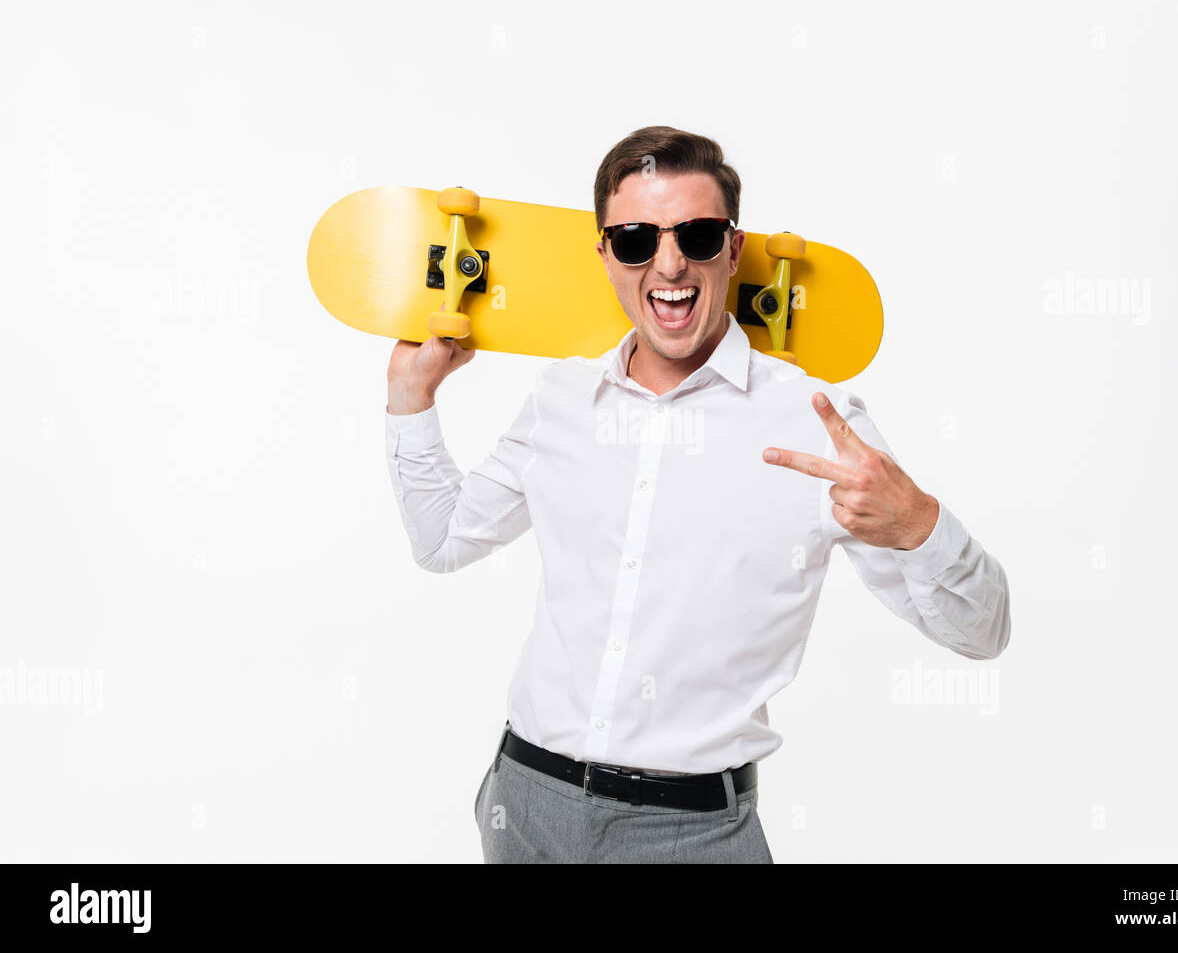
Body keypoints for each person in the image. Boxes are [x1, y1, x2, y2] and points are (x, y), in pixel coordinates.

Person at [383, 126, 1012, 863]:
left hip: (693, 834)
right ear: (605, 255)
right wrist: (410, 399)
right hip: (524, 805)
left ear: (733, 249)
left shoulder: (814, 420)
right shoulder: (562, 397)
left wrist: (920, 526)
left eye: (698, 234)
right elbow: (443, 540)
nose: (670, 263)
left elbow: (983, 633)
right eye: (636, 240)